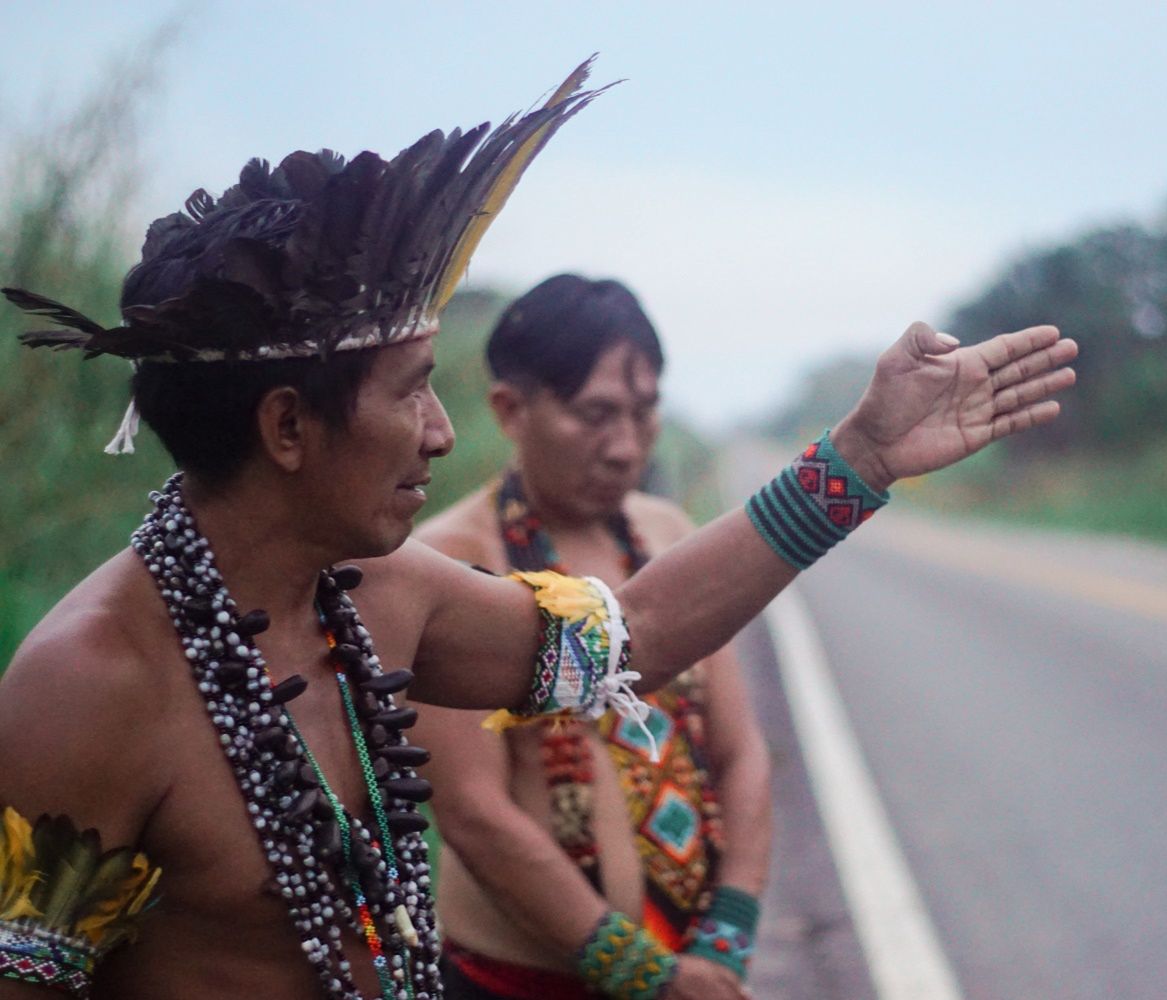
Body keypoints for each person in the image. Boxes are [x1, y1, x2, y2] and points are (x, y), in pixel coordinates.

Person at [0, 61, 1079, 1000]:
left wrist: (862, 460)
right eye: (414, 391)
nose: (442, 431)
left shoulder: (385, 593)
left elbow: (637, 631)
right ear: (288, 425)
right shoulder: (88, 688)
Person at [411, 275, 771, 1000]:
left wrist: (725, 945)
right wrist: (650, 978)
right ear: (511, 410)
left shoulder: (667, 535)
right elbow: (473, 814)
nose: (625, 447)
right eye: (595, 415)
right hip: (514, 983)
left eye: (644, 415)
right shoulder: (450, 564)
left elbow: (740, 752)